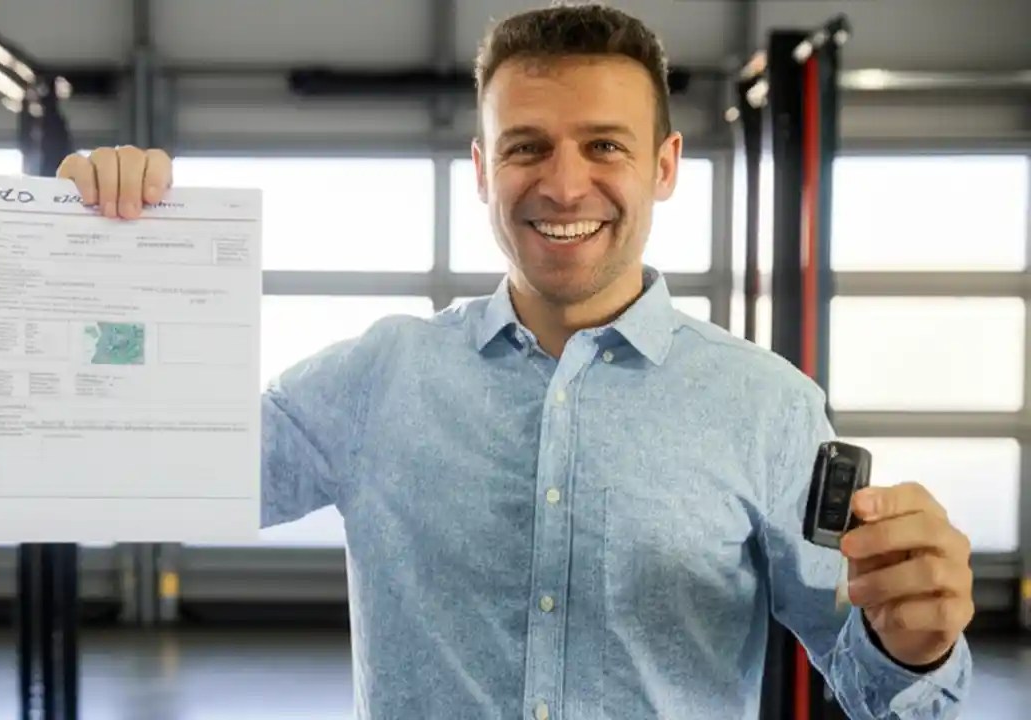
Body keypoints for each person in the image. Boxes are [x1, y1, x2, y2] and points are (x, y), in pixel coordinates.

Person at [58, 5, 974, 718]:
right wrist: (103, 265)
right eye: (525, 146)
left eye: (604, 145)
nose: (564, 184)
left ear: (664, 165)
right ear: (481, 169)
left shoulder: (769, 408)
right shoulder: (375, 381)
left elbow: (878, 690)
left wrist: (917, 644)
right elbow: (129, 468)